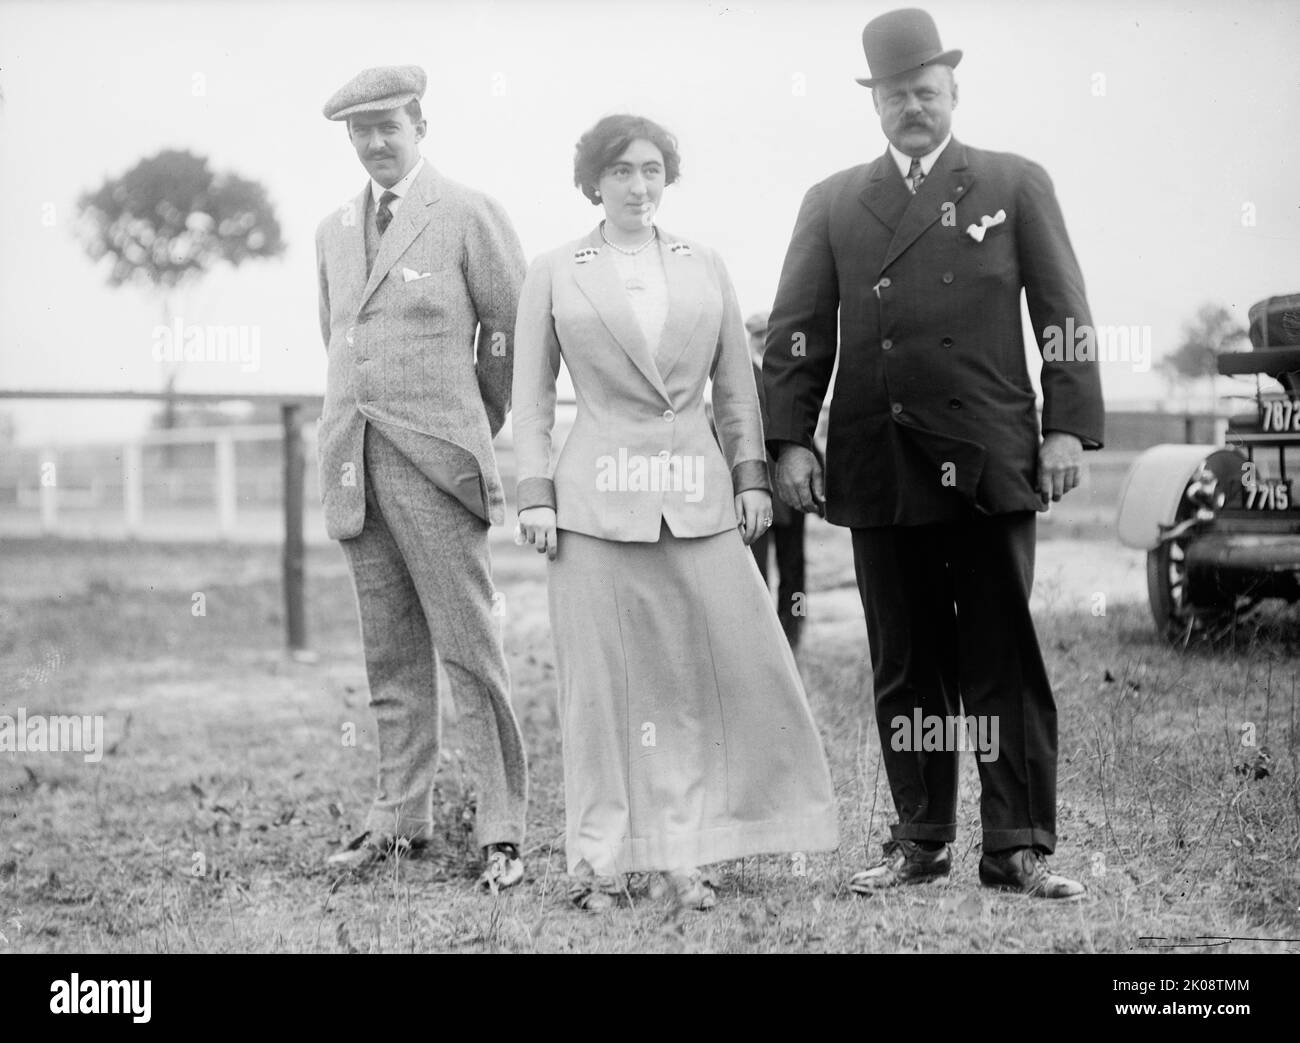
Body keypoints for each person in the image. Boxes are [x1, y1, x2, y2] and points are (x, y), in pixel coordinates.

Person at [764, 10, 1104, 900]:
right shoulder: (833, 200)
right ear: (874, 104)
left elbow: (1062, 314)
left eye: (926, 91)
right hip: (880, 461)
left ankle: (1018, 845)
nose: (911, 107)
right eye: (894, 95)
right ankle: (919, 838)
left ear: (953, 91)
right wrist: (792, 439)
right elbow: (797, 336)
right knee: (905, 660)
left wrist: (1066, 424)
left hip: (988, 457)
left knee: (1001, 653)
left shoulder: (1013, 182)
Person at [512, 114, 838, 912]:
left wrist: (751, 477)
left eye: (653, 169)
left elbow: (735, 387)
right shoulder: (555, 269)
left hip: (698, 500)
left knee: (695, 683)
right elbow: (529, 399)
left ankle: (685, 855)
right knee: (602, 690)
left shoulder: (704, 265)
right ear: (594, 180)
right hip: (592, 506)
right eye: (621, 170)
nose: (639, 185)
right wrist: (534, 494)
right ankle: (598, 861)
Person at [315, 65, 529, 890]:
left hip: (439, 468)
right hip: (355, 468)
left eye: (388, 128)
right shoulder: (333, 228)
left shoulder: (468, 213)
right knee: (390, 657)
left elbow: (510, 335)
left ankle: (502, 829)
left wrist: (467, 425)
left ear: (420, 127)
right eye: (359, 132)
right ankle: (399, 820)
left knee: (470, 653)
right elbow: (338, 341)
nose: (374, 143)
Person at [744, 310, 807, 653]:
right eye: (758, 335)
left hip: (790, 487)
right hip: (759, 489)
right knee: (757, 566)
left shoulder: (787, 373)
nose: (763, 341)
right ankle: (763, 640)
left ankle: (793, 631)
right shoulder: (742, 377)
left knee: (793, 566)